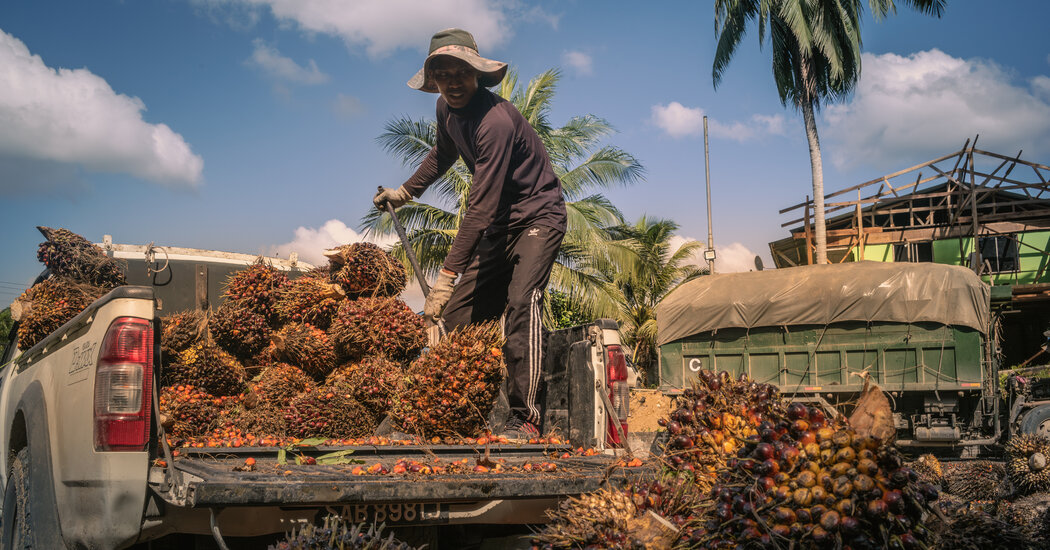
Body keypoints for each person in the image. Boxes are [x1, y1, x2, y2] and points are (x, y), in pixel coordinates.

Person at [374, 28, 567, 440]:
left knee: (521, 301)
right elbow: (442, 153)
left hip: (537, 217)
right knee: (456, 319)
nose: (453, 83)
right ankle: (427, 415)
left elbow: (479, 206)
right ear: (434, 82)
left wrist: (445, 278)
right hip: (500, 225)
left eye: (460, 72)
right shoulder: (446, 111)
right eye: (443, 75)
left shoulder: (495, 121)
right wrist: (405, 192)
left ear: (477, 73)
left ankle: (526, 417)